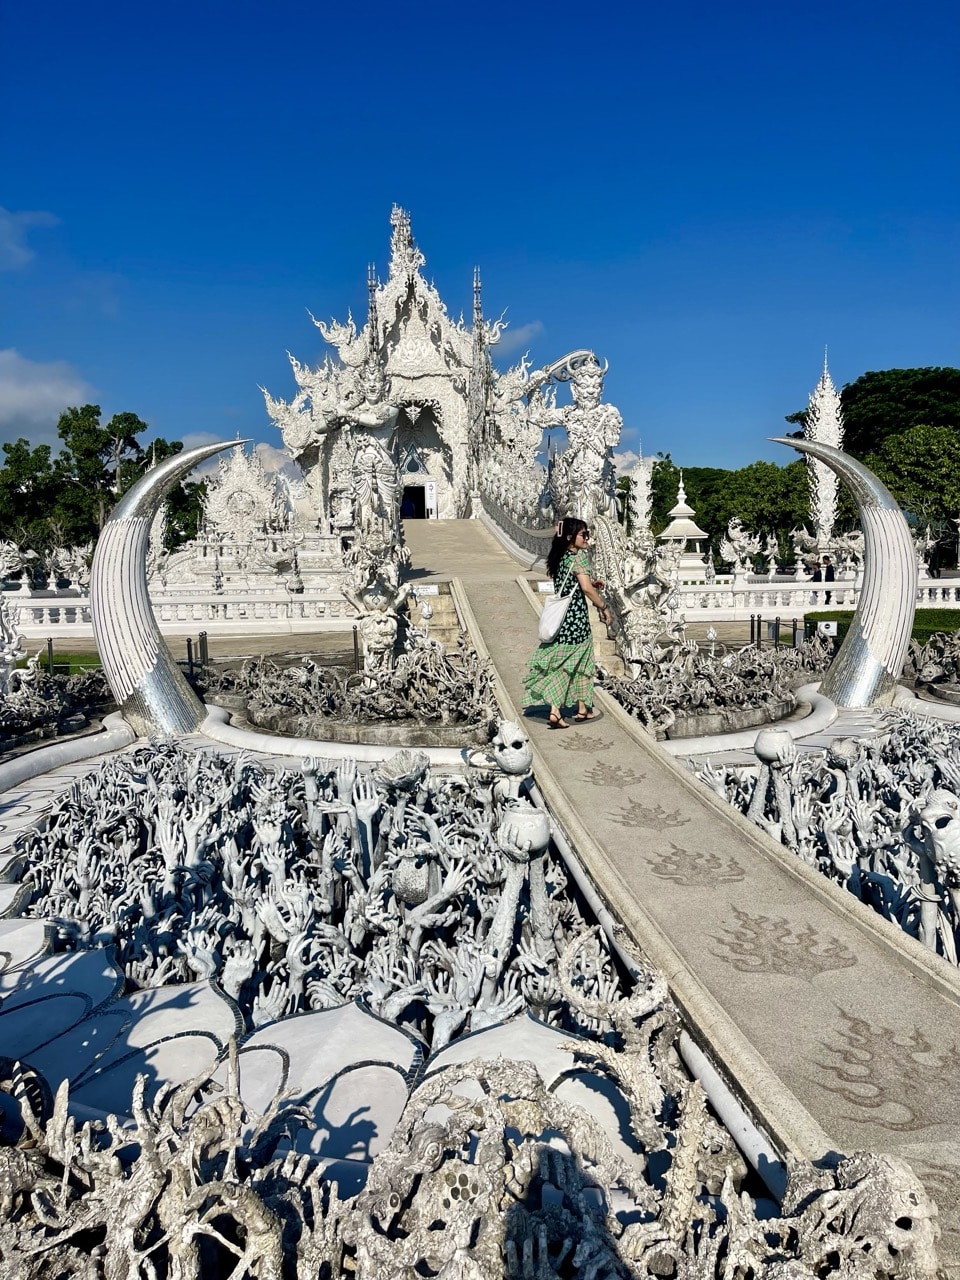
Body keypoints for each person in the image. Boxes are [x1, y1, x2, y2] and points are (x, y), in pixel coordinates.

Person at [523, 517, 611, 729]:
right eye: (583, 535)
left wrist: (592, 582)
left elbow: (577, 583)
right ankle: (555, 710)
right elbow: (586, 589)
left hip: (563, 619)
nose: (587, 538)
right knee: (571, 665)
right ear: (571, 537)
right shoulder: (579, 558)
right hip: (576, 620)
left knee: (580, 662)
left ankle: (583, 708)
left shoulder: (561, 556)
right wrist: (603, 606)